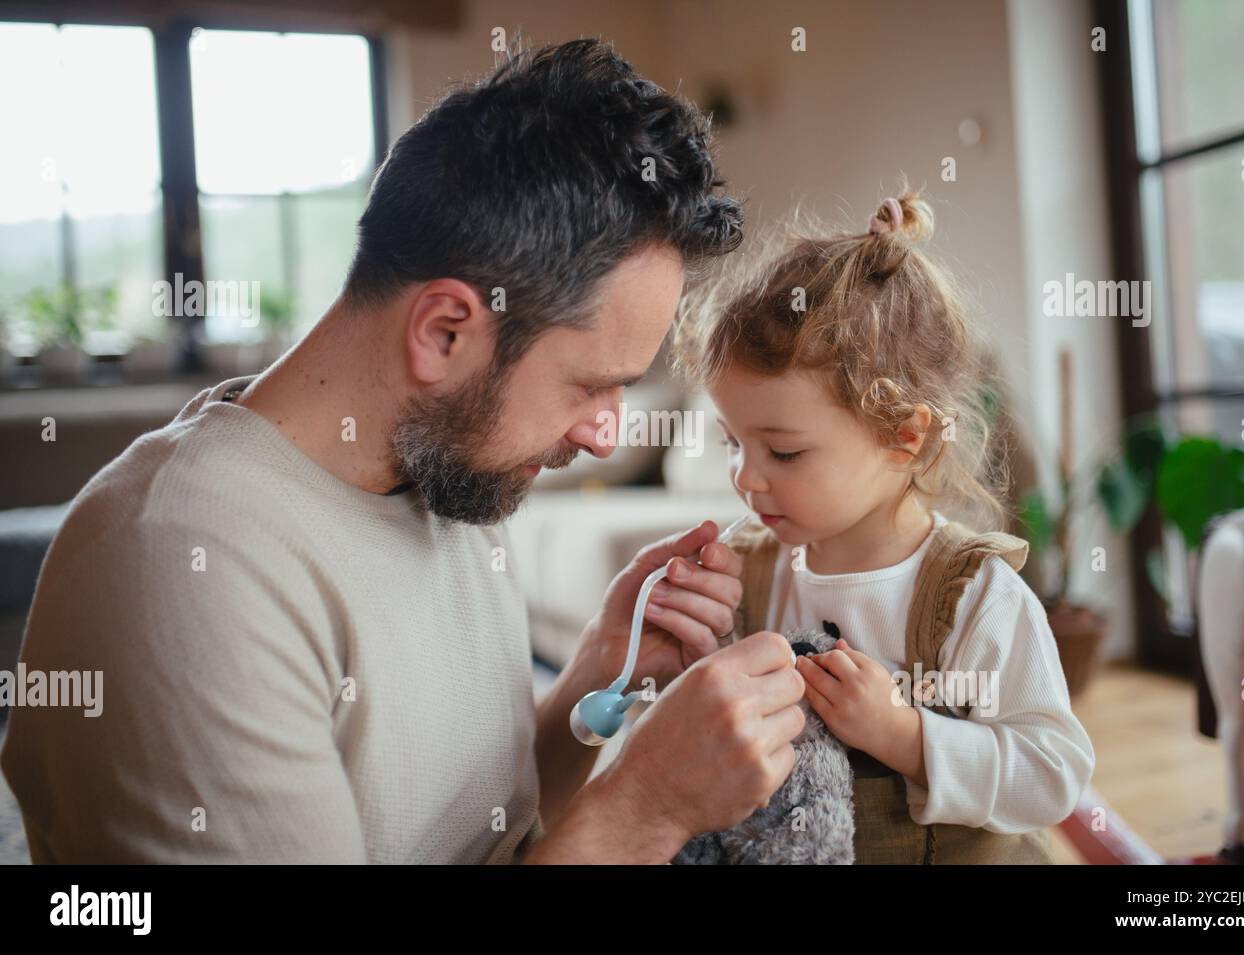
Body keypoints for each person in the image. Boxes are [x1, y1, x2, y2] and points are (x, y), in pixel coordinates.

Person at [0, 38, 807, 864]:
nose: (605, 430)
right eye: (589, 385)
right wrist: (648, 805)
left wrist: (602, 669)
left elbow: (482, 827)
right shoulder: (178, 564)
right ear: (444, 330)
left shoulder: (448, 465)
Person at [671, 187, 1096, 862]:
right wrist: (695, 641)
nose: (745, 478)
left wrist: (903, 734)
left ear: (904, 436)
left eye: (782, 451)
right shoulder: (752, 567)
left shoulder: (974, 595)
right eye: (732, 443)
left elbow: (1052, 775)